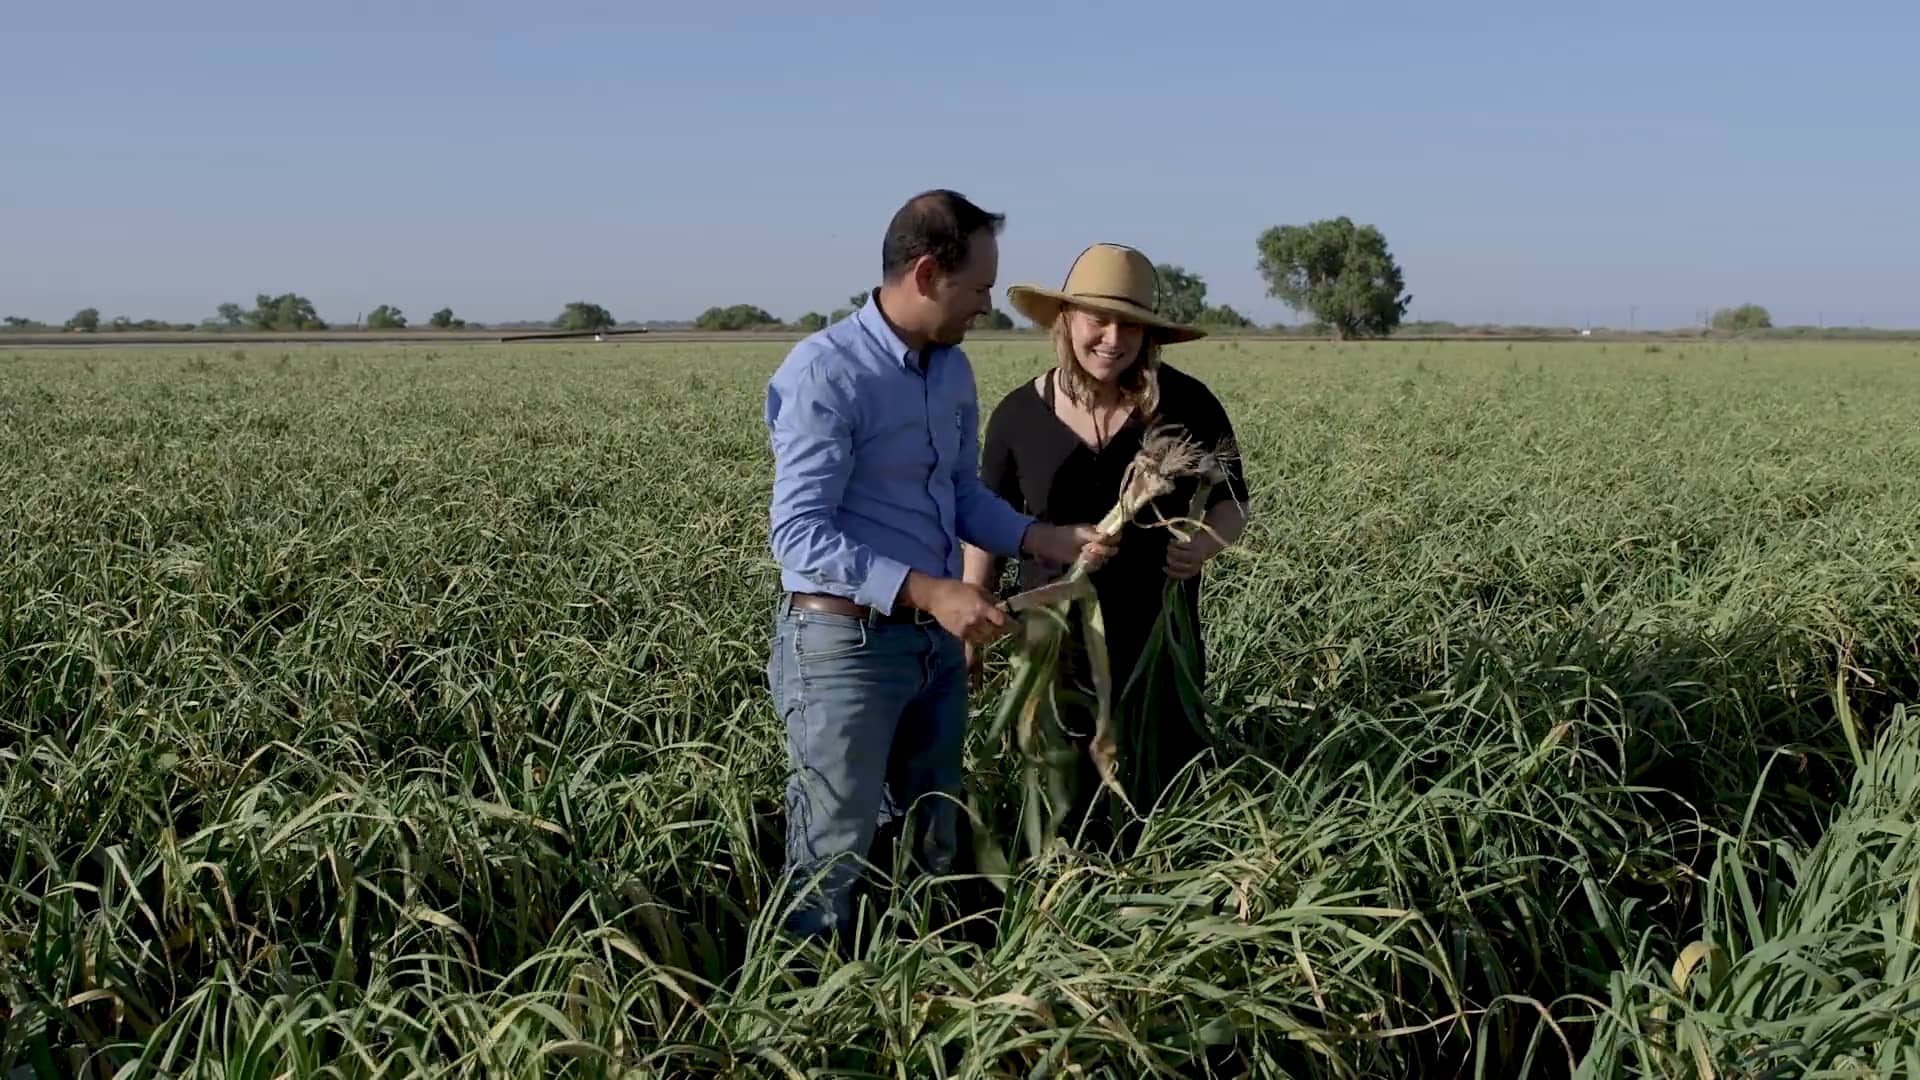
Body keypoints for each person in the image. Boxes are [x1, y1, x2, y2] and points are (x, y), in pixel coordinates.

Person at [763, 190, 1118, 944]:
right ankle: (803, 1022)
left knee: (936, 836)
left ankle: (919, 996)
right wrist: (930, 588)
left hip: (929, 647)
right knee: (832, 854)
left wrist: (1043, 539)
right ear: (926, 274)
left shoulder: (949, 371)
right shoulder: (826, 374)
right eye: (980, 288)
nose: (988, 306)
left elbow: (959, 495)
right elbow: (797, 536)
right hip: (844, 651)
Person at [962, 242, 1251, 845]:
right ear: (1065, 322)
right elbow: (984, 522)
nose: (1113, 338)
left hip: (1158, 645)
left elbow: (1232, 501)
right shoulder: (1017, 416)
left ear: (1150, 335)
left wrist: (1205, 546)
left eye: (1131, 325)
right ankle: (1062, 899)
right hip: (1051, 647)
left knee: (1163, 790)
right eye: (1099, 320)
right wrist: (973, 617)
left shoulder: (1189, 405)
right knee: (1062, 800)